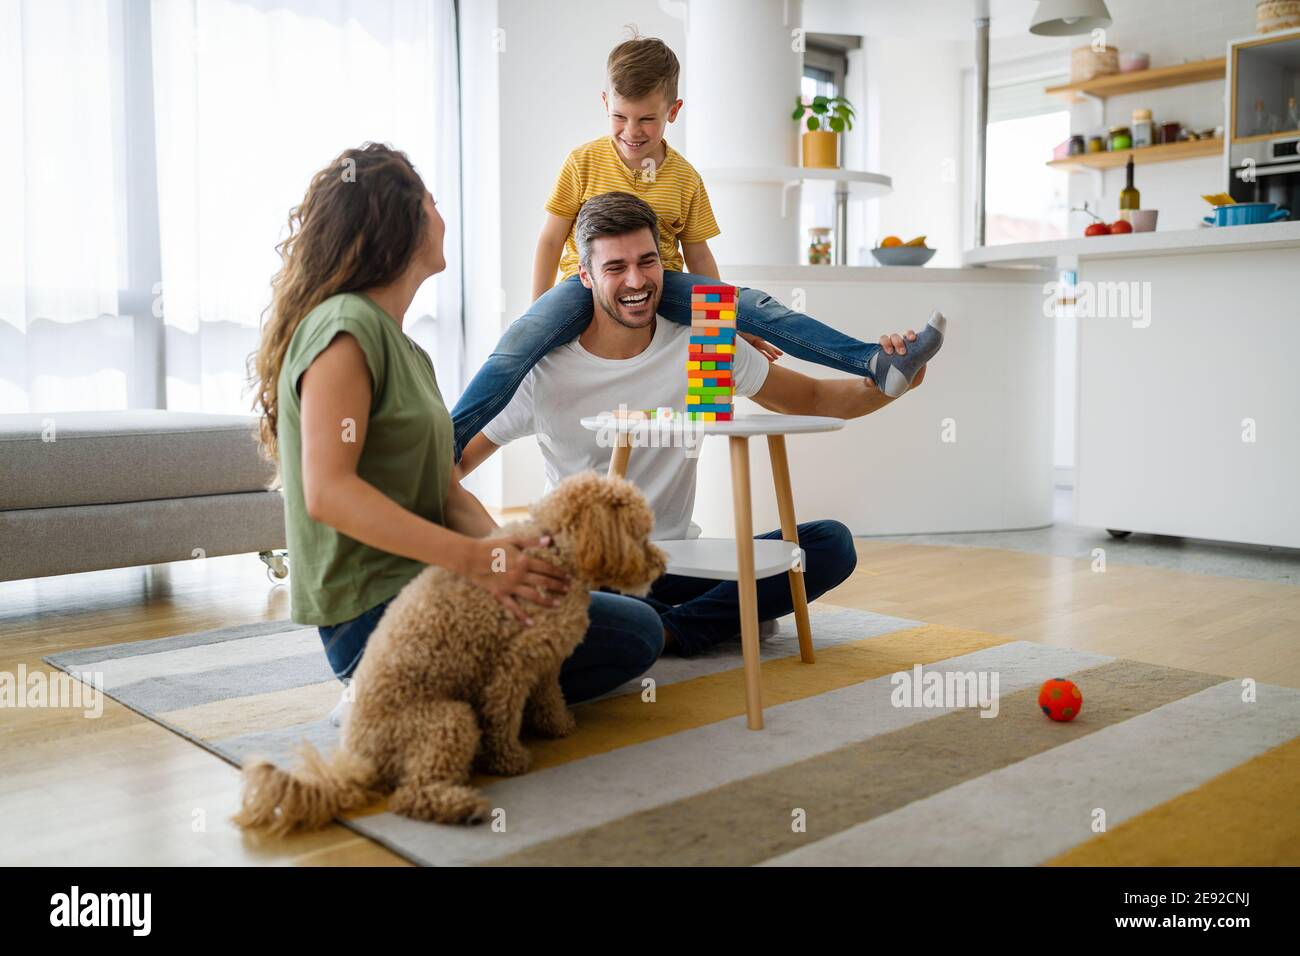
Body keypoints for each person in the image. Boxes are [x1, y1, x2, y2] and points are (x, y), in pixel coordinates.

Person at [248, 143, 667, 705]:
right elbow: (328, 492)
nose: (442, 218)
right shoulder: (344, 328)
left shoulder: (408, 352)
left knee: (621, 616)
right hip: (375, 617)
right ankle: (385, 694)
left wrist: (512, 553)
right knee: (637, 632)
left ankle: (436, 698)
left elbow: (445, 491)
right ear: (399, 224)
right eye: (432, 203)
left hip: (435, 587)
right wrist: (477, 562)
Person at [456, 191, 937, 657]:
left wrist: (891, 385)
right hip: (589, 567)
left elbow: (810, 397)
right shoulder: (547, 370)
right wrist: (499, 548)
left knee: (828, 544)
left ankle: (667, 631)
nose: (636, 281)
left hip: (673, 558)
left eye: (647, 262)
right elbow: (448, 469)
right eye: (615, 267)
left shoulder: (701, 347)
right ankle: (710, 618)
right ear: (584, 275)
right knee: (588, 609)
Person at [449, 33, 945, 462]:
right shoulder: (582, 162)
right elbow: (550, 238)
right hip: (584, 287)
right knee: (517, 344)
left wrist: (728, 317)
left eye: (646, 119)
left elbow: (700, 258)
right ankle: (447, 438)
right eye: (619, 117)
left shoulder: (684, 177)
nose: (631, 132)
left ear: (673, 111)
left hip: (666, 286)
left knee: (756, 306)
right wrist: (539, 315)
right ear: (604, 103)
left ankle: (872, 361)